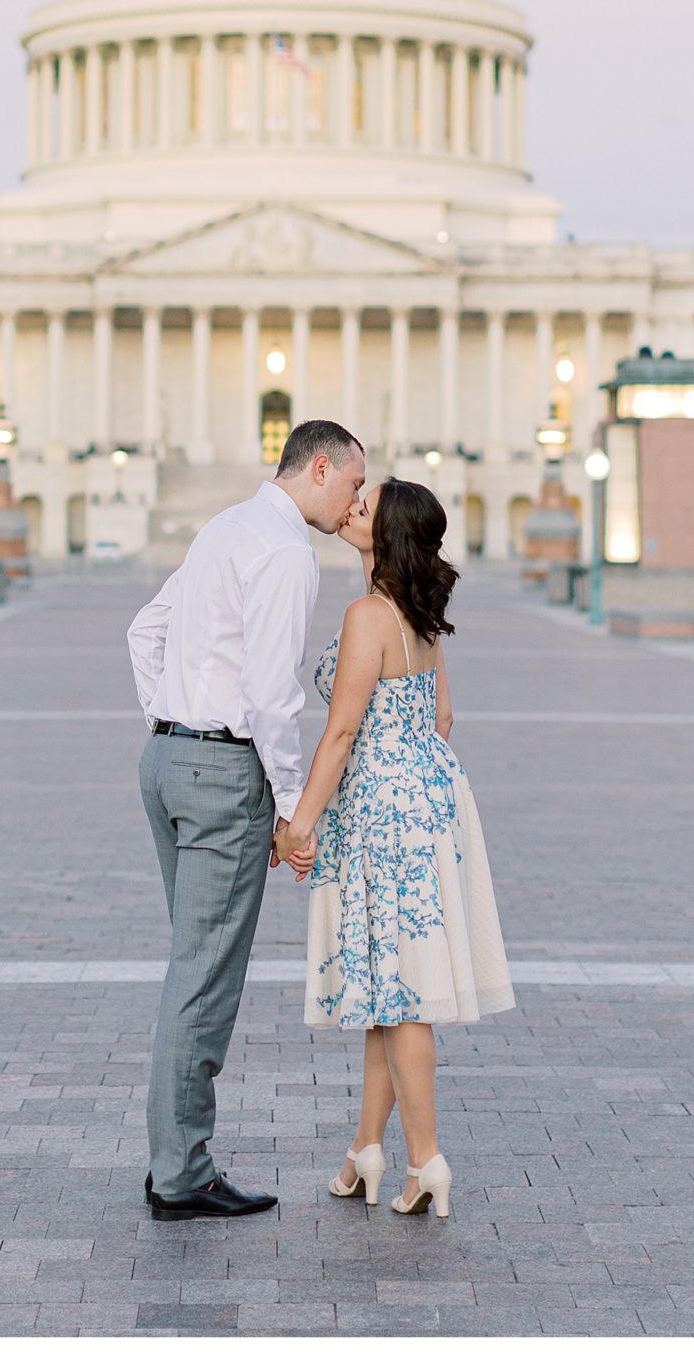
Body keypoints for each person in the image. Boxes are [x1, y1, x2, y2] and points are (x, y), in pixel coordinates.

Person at [128, 418, 366, 1222]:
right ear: (321, 467)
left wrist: (169, 719)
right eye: (355, 484)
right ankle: (180, 1173)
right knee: (203, 977)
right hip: (223, 773)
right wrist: (294, 807)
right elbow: (272, 697)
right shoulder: (288, 552)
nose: (356, 501)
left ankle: (173, 1158)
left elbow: (144, 631)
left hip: (165, 764)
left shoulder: (224, 527)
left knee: (189, 964)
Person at [278, 479, 514, 1220]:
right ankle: (363, 1153)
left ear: (388, 533)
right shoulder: (420, 614)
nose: (351, 507)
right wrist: (411, 779)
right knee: (388, 993)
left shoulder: (367, 614)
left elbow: (342, 731)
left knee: (402, 996)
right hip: (430, 799)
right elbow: (442, 715)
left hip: (380, 809)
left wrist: (300, 825)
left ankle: (426, 1159)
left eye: (365, 504)